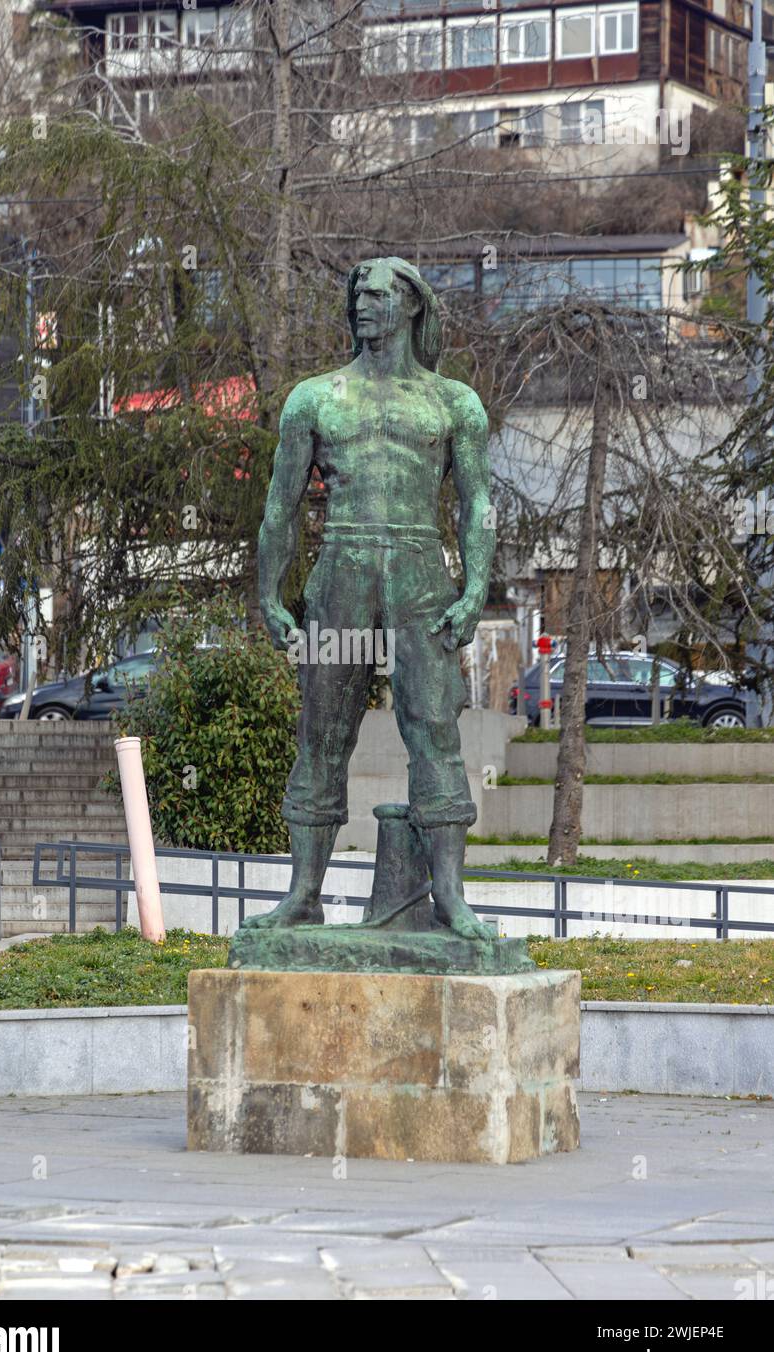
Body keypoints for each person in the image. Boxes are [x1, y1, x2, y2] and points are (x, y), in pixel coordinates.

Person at [246, 256, 494, 941]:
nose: (364, 307)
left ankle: (448, 895)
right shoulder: (315, 399)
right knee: (321, 733)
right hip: (343, 572)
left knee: (434, 728)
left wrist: (476, 589)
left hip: (419, 573)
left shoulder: (452, 403)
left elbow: (476, 506)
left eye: (380, 297)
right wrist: (270, 596)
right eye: (358, 297)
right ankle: (303, 893)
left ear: (412, 305)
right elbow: (280, 508)